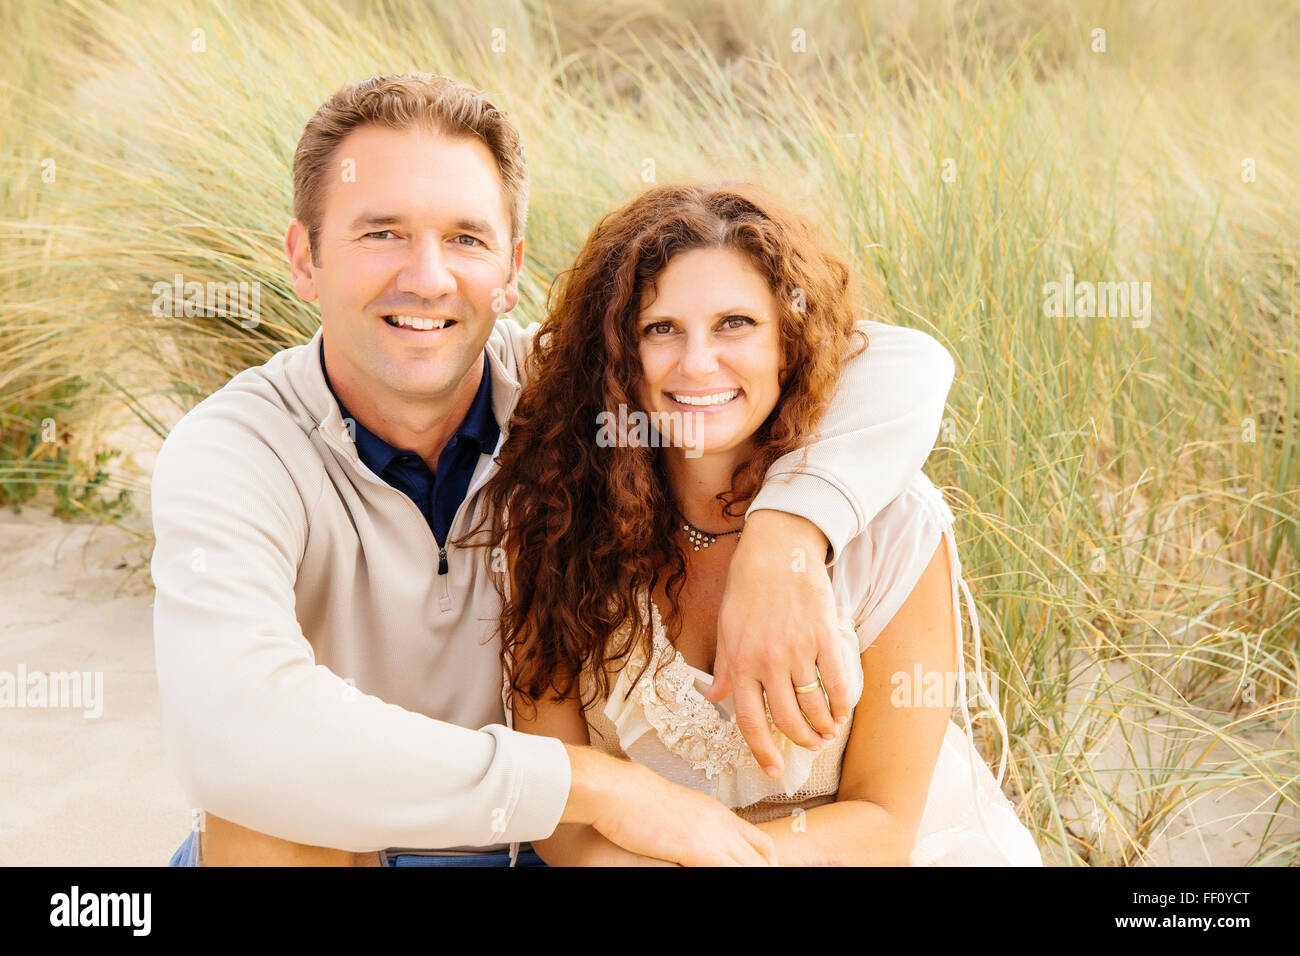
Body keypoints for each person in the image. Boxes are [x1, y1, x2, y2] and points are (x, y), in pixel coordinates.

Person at [154, 73, 956, 867]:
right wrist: (593, 787)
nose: (428, 276)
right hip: (343, 844)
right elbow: (235, 733)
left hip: (521, 854)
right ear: (305, 258)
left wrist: (787, 535)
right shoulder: (234, 452)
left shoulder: (571, 398)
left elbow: (901, 361)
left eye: (466, 238)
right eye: (382, 233)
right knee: (260, 818)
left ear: (510, 269)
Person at [478, 181, 1044, 865]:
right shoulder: (555, 514)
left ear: (790, 342)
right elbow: (564, 819)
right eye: (661, 330)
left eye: (735, 324)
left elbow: (883, 822)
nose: (697, 363)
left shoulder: (894, 525)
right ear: (617, 355)